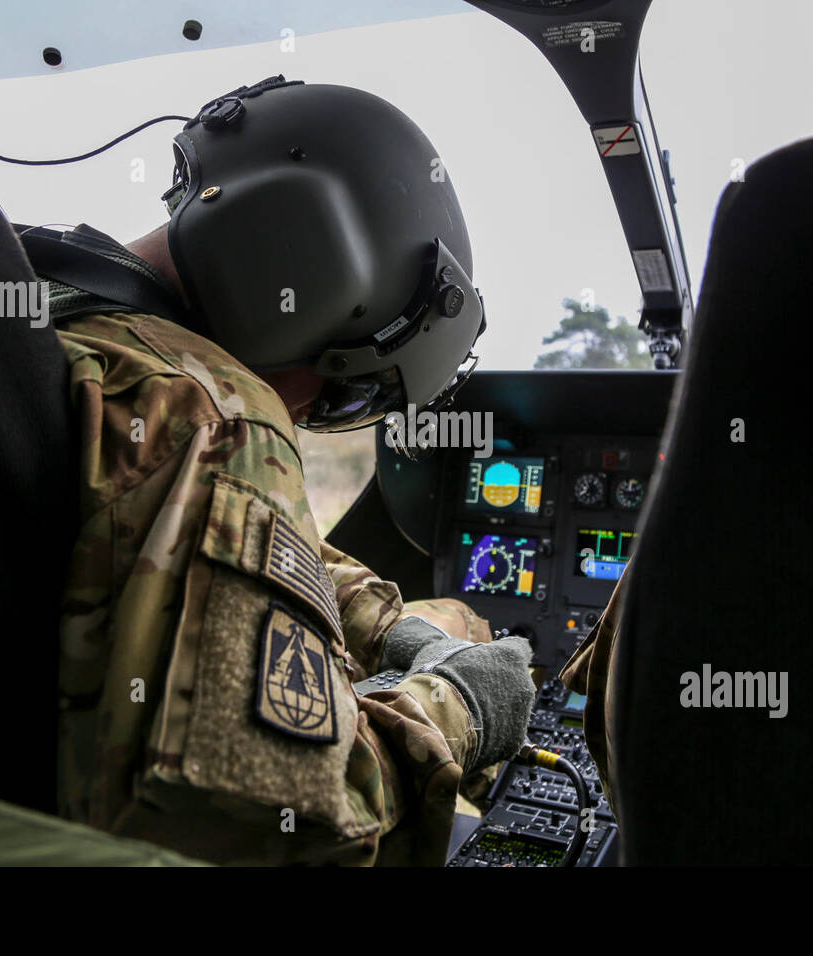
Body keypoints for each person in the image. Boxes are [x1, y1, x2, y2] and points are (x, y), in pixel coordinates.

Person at [41, 76, 536, 865]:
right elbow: (278, 831)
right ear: (309, 282)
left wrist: (386, 625)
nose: (309, 415)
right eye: (346, 390)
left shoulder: (52, 314)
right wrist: (462, 705)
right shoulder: (213, 409)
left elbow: (176, 530)